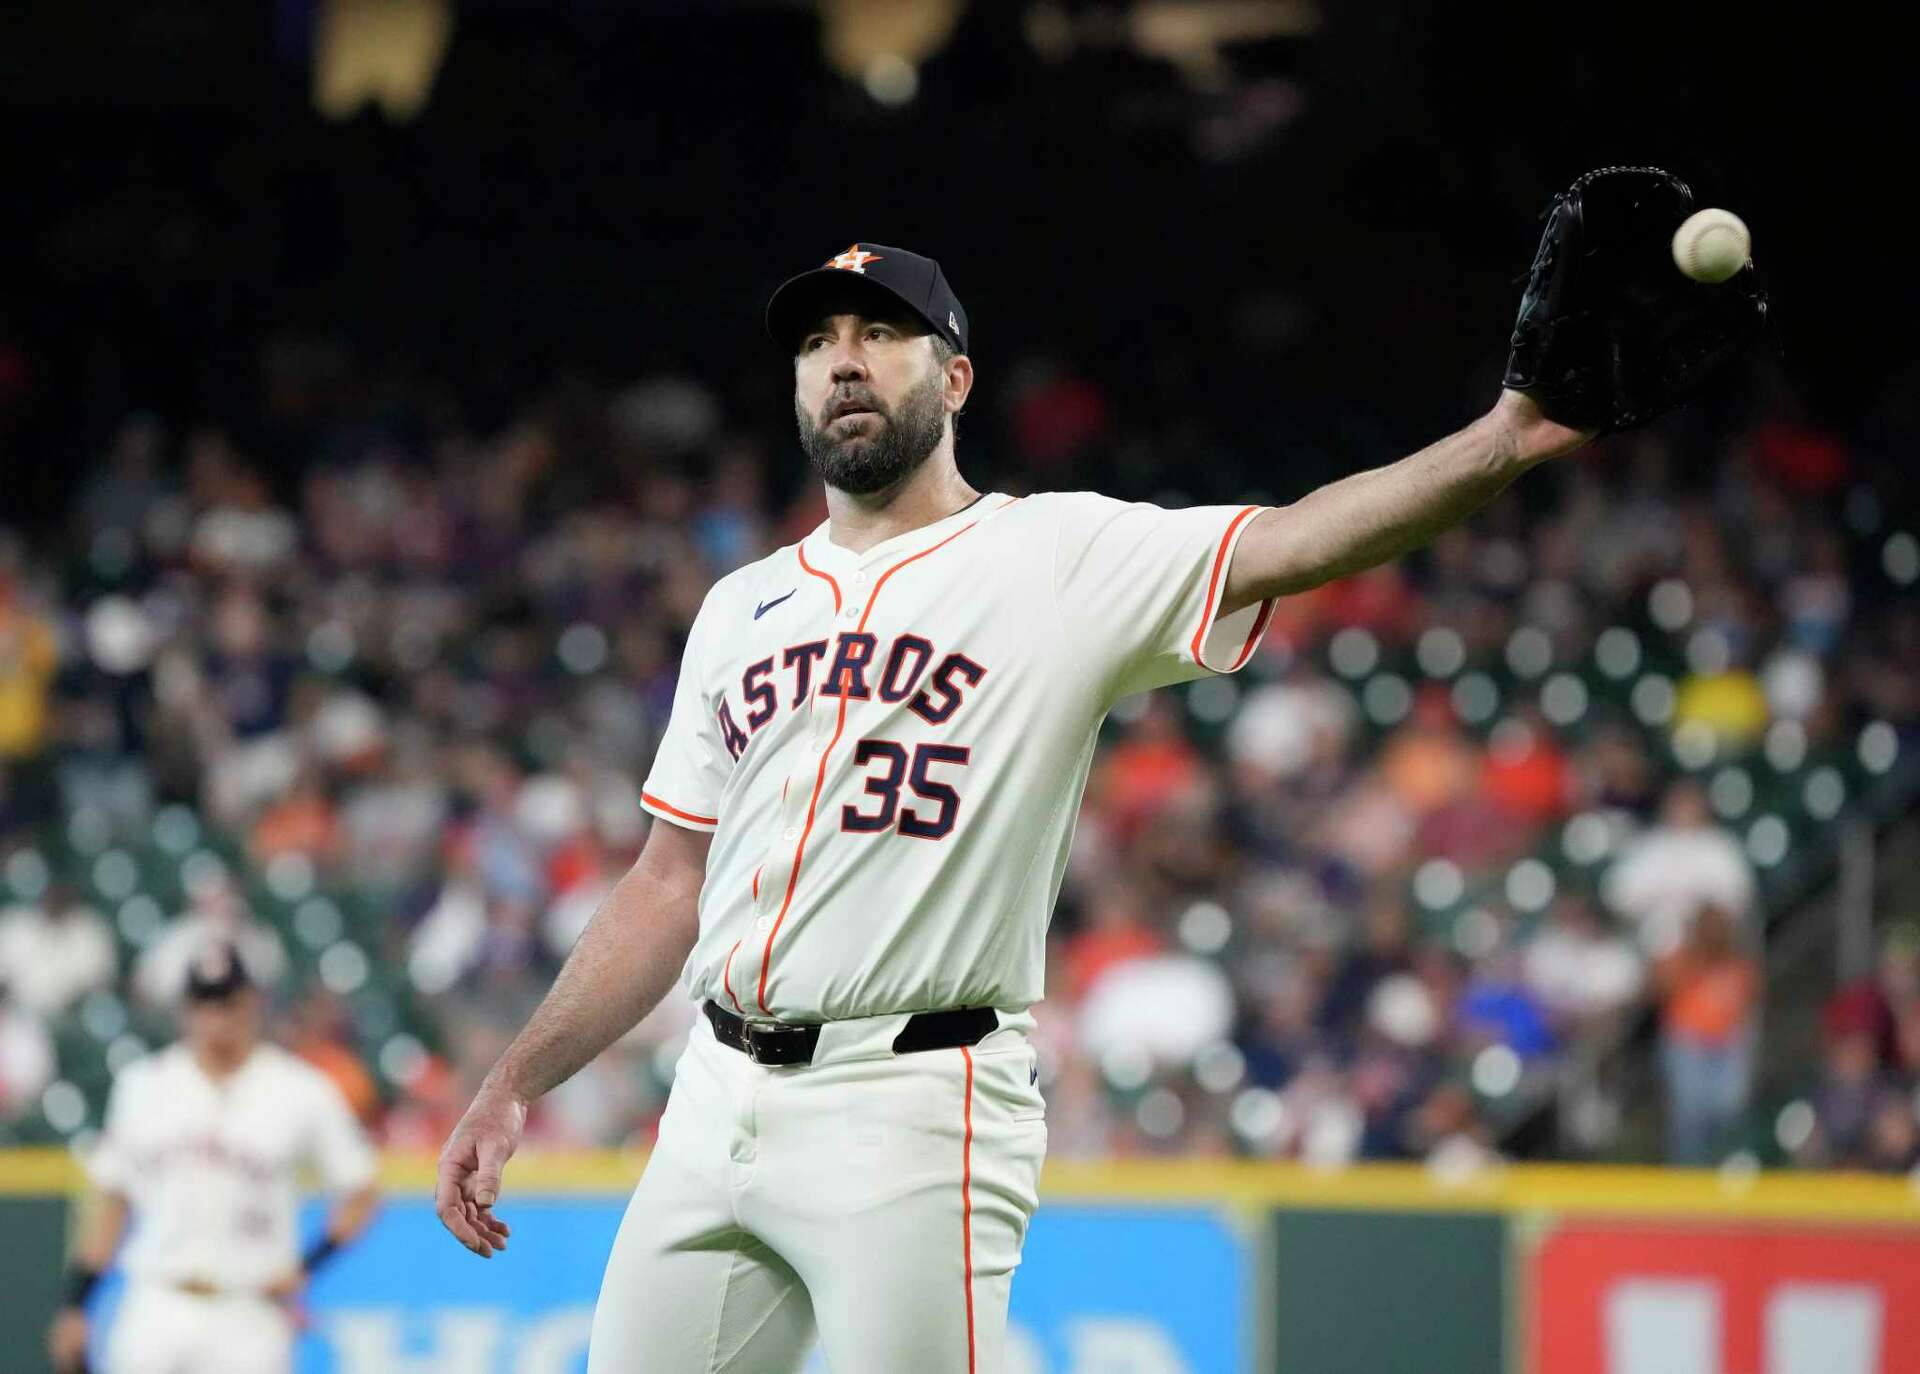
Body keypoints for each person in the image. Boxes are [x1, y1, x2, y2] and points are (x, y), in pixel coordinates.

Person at [433, 239, 1597, 1372]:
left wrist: (1501, 442)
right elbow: (665, 883)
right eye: (819, 342)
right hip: (712, 1097)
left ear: (954, 377)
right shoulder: (741, 607)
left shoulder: (1056, 554)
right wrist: (514, 1080)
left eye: (881, 333)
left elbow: (1291, 543)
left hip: (914, 1101)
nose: (843, 360)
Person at [47, 943, 379, 1374]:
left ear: (252, 1004)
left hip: (248, 1308)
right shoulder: (143, 1085)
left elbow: (361, 1187)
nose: (215, 1016)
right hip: (156, 1298)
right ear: (186, 1008)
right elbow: (112, 1201)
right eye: (203, 1002)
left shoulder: (300, 1089)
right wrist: (77, 1304)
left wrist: (308, 1264)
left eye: (226, 1002)